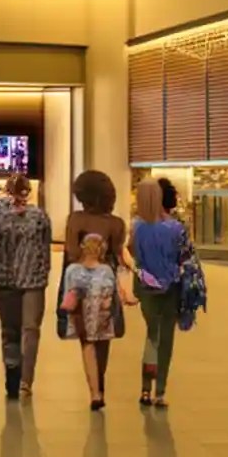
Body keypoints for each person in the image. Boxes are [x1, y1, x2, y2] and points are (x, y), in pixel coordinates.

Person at [0, 173, 51, 400]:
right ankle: (13, 375)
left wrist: (45, 275)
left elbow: (46, 249)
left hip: (33, 280)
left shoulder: (39, 216)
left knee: (30, 329)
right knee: (11, 331)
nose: (20, 196)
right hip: (6, 280)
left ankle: (26, 381)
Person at [62, 170, 131, 399]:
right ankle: (100, 379)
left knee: (87, 339)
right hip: (105, 286)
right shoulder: (116, 224)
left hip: (81, 287)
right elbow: (118, 256)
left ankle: (95, 390)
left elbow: (71, 253)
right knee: (104, 337)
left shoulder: (75, 220)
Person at [132, 179, 188, 408]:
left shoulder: (137, 226)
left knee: (152, 335)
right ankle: (160, 391)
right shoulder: (176, 228)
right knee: (165, 339)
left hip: (145, 288)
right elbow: (185, 258)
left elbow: (132, 254)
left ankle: (145, 388)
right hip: (170, 288)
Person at [59, 233, 117, 411]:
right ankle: (98, 389)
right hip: (102, 318)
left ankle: (95, 392)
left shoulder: (72, 271)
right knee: (100, 352)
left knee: (88, 349)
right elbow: (110, 296)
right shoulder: (106, 271)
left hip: (81, 317)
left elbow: (66, 295)